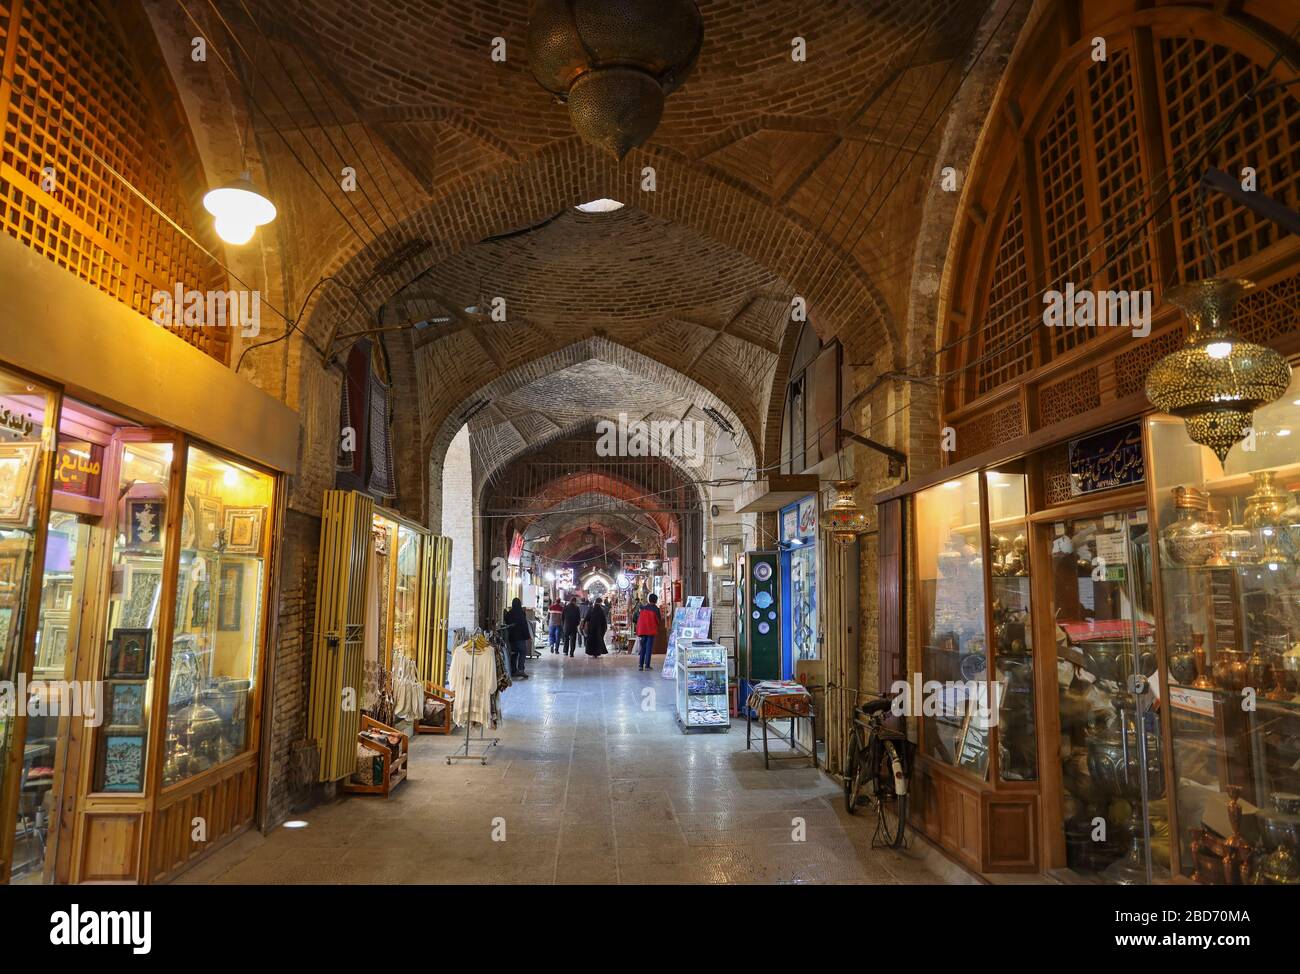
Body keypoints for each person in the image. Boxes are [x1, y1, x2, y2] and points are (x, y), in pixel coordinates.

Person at [503, 597, 531, 679]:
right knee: (522, 653)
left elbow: (506, 622)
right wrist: (528, 636)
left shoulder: (509, 613)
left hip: (511, 637)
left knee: (514, 654)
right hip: (520, 637)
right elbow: (524, 625)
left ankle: (513, 670)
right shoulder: (521, 613)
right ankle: (521, 670)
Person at [635, 593, 662, 672]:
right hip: (650, 631)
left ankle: (640, 665)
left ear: (648, 600)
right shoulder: (656, 609)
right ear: (656, 600)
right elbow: (658, 620)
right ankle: (647, 665)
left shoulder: (643, 608)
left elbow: (638, 618)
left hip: (642, 630)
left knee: (642, 647)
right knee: (649, 648)